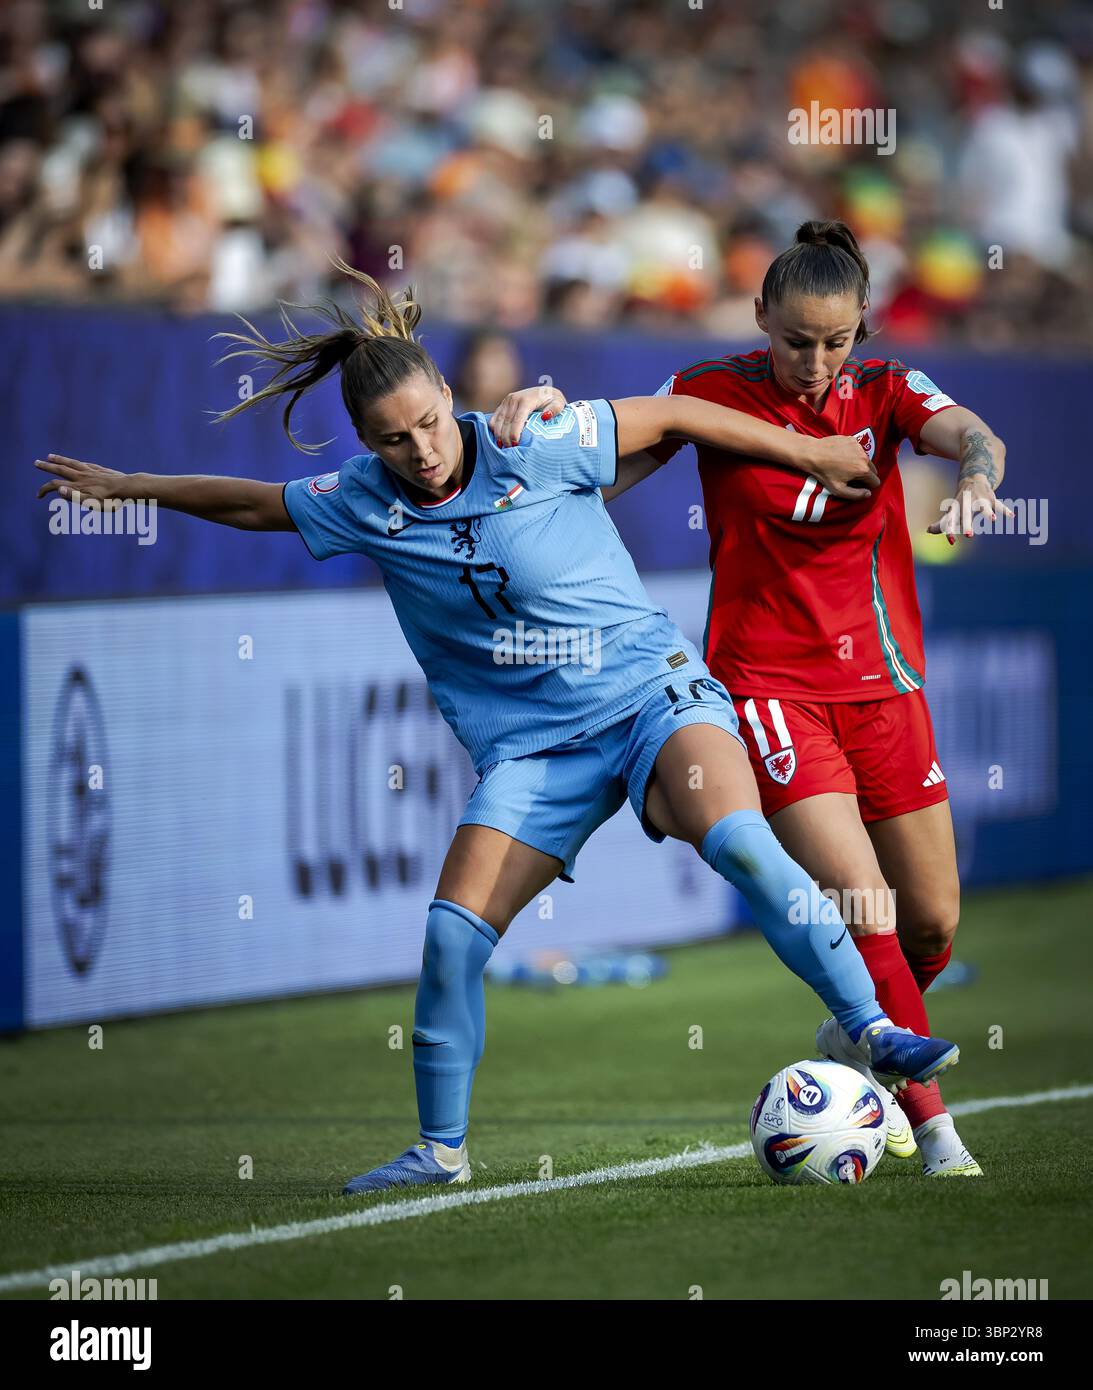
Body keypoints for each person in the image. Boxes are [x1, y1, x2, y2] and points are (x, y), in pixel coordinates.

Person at [34, 259, 959, 1195]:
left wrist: (810, 454)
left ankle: (869, 1026)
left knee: (740, 841)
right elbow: (251, 502)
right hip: (532, 753)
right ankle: (440, 1152)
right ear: (363, 441)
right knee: (449, 938)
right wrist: (133, 486)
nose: (421, 452)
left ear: (448, 394)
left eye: (429, 423)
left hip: (650, 697)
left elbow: (678, 416)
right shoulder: (362, 500)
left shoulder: (538, 439)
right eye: (393, 441)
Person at [494, 221, 1002, 1178]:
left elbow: (973, 435)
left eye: (834, 341)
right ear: (759, 315)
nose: (813, 363)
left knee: (932, 920)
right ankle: (935, 1133)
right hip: (771, 691)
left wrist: (974, 478)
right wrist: (547, 413)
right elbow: (609, 456)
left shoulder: (886, 392)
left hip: (885, 687)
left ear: (862, 328)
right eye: (794, 340)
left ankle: (851, 1034)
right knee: (866, 906)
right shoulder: (706, 392)